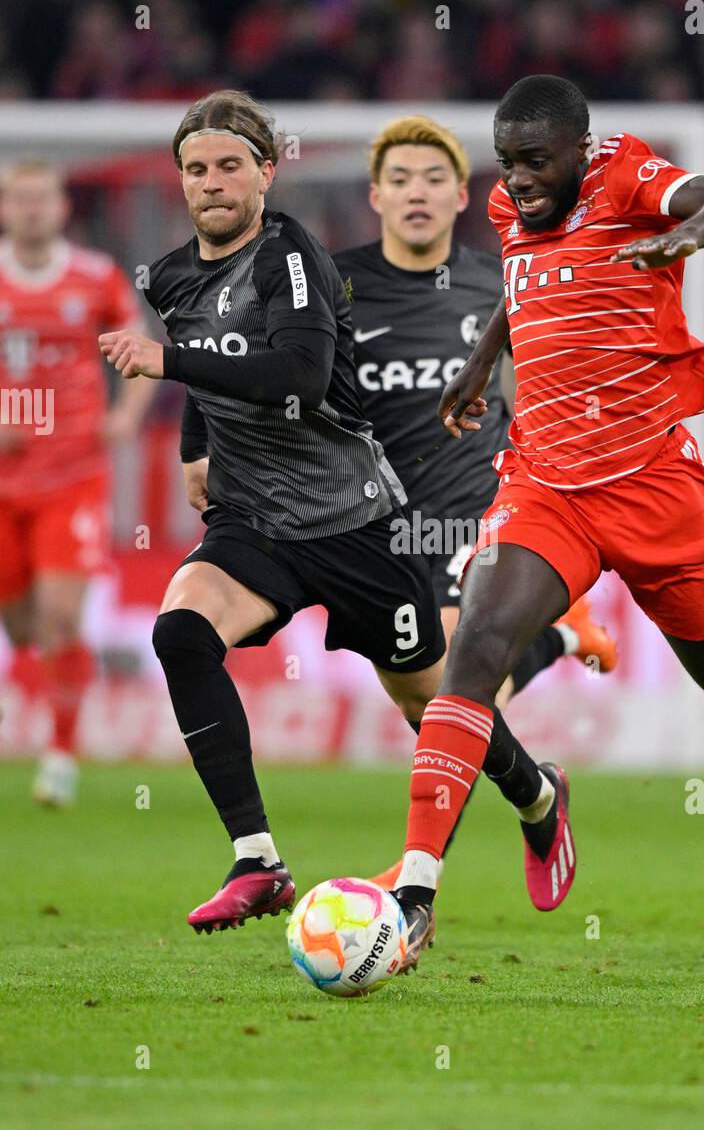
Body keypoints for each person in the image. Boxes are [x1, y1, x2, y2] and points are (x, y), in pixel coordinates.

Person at [99, 90, 575, 945]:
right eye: (196, 169)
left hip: (356, 523)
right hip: (255, 523)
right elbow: (213, 369)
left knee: (439, 709)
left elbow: (299, 375)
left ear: (264, 173)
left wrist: (166, 363)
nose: (212, 182)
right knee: (181, 632)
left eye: (230, 166)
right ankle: (257, 861)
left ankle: (537, 793)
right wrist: (192, 450)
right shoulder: (172, 274)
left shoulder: (292, 254)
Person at [393, 74, 704, 971]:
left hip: (654, 484)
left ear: (580, 150)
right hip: (546, 482)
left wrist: (686, 237)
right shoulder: (512, 207)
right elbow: (523, 292)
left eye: (537, 161)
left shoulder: (627, 177)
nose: (518, 179)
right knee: (472, 652)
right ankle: (415, 893)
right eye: (507, 162)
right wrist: (478, 366)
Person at [334, 114, 617, 888]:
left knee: (462, 678)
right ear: (376, 196)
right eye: (400, 180)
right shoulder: (338, 288)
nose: (416, 193)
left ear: (462, 195)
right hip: (379, 529)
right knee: (430, 709)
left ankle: (415, 879)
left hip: (478, 513)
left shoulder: (503, 279)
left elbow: (555, 385)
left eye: (433, 179)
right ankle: (537, 790)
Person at [0, 158, 154, 807]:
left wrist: (125, 415)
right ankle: (53, 680)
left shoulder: (95, 277)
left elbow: (138, 341)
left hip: (73, 474)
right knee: (25, 627)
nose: (33, 210)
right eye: (21, 200)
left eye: (44, 198)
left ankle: (60, 754)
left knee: (63, 616)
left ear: (62, 208)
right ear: (6, 209)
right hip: (5, 481)